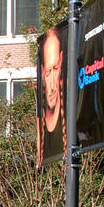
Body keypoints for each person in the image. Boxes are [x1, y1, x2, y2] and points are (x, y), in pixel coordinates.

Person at [38, 24, 65, 165]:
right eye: (48, 72)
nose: (52, 84)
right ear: (42, 73)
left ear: (61, 62)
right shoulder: (40, 127)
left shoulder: (68, 123)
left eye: (56, 68)